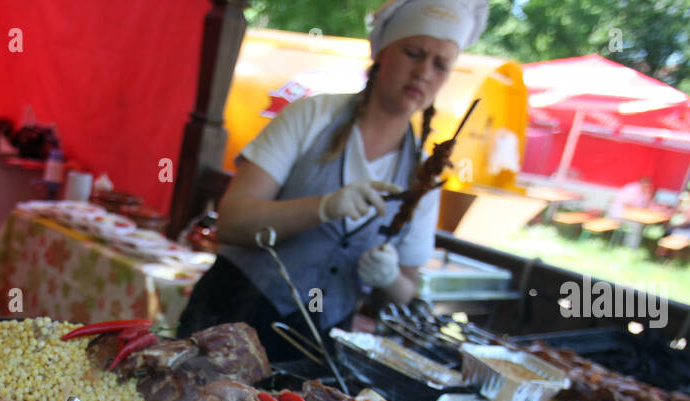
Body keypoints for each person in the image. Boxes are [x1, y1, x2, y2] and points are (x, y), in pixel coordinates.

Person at [175, 0, 489, 358]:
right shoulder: (311, 117)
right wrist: (322, 208)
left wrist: (389, 279)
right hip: (229, 318)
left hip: (314, 347)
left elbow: (408, 288)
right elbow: (232, 221)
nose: (423, 72)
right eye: (413, 53)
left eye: (440, 64)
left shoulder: (423, 175)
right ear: (383, 52)